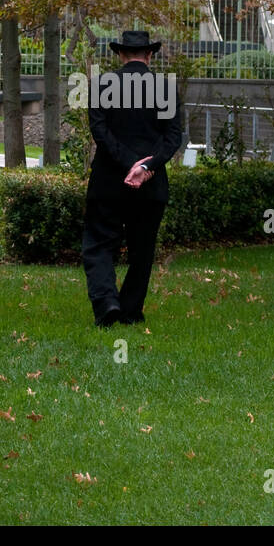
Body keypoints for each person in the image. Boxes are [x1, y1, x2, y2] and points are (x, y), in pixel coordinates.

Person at [82, 30, 185, 326]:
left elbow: (100, 132)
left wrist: (129, 163)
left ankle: (106, 303)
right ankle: (129, 311)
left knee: (98, 244)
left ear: (120, 54)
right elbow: (173, 137)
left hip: (108, 182)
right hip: (150, 186)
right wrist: (146, 167)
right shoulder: (165, 89)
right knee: (142, 251)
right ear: (149, 55)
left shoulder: (102, 85)